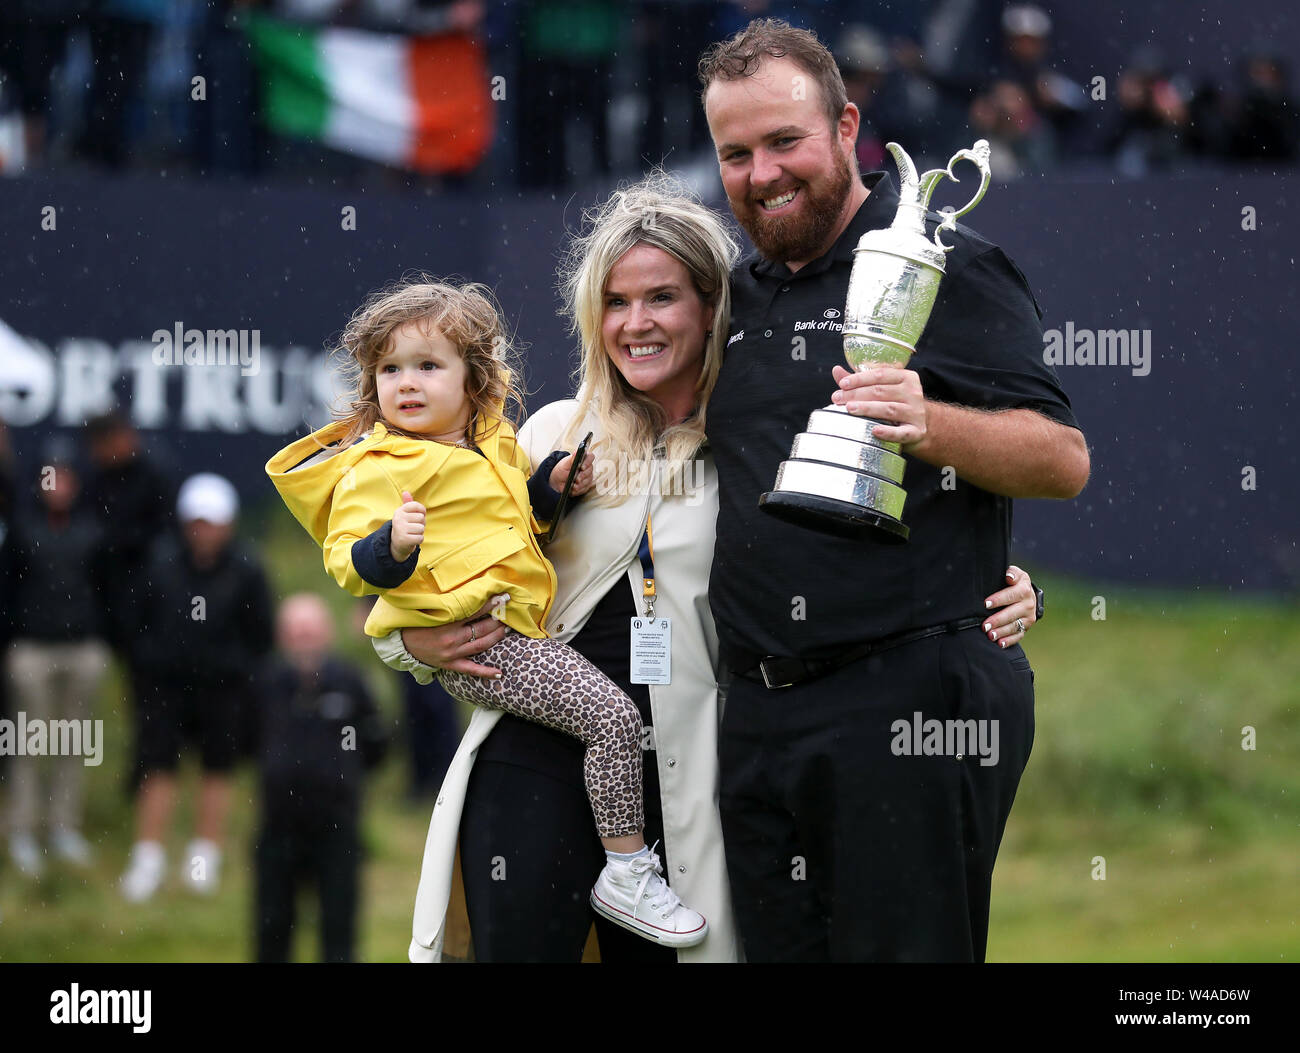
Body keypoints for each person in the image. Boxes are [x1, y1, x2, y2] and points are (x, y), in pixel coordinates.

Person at [377, 175, 1045, 963]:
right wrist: (411, 647)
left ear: (710, 305)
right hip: (535, 762)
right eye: (615, 303)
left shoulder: (754, 443)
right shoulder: (551, 433)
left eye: (661, 297)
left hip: (687, 776)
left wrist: (996, 588)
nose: (636, 323)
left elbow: (853, 551)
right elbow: (417, 568)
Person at [695, 18, 1089, 961]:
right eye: (736, 153)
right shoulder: (732, 295)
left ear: (845, 127)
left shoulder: (939, 258)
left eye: (784, 141)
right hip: (753, 714)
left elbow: (1062, 457)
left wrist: (932, 424)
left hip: (906, 704)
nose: (763, 173)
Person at [265, 278, 707, 948]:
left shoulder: (495, 443)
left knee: (605, 719)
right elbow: (348, 560)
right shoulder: (378, 464)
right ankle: (626, 869)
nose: (405, 382)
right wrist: (392, 547)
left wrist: (551, 488)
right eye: (389, 369)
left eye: (427, 365)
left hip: (517, 632)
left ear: (474, 380)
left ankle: (622, 866)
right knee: (614, 718)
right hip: (485, 645)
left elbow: (518, 527)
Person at [119, 472, 274, 902]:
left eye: (213, 522)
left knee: (216, 770)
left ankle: (202, 860)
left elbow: (261, 635)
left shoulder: (246, 569)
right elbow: (136, 624)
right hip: (164, 690)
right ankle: (147, 860)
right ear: (186, 523)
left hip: (223, 692)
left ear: (228, 524)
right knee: (157, 767)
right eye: (197, 522)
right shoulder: (160, 563)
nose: (204, 532)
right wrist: (152, 668)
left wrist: (234, 671)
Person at [255, 593, 388, 963]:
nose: (304, 639)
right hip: (277, 824)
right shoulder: (266, 682)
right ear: (282, 637)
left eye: (310, 631)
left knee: (340, 925)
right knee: (272, 923)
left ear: (327, 633)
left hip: (338, 824)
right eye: (296, 632)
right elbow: (246, 739)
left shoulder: (350, 681)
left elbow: (377, 744)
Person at [5, 443, 109, 875]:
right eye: (50, 476)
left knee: (74, 741)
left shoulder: (92, 531)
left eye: (65, 476)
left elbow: (109, 592)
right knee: (27, 742)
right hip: (31, 650)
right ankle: (22, 830)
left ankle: (63, 827)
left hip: (82, 650)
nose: (58, 485)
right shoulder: (22, 530)